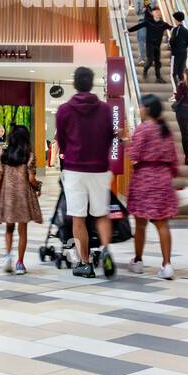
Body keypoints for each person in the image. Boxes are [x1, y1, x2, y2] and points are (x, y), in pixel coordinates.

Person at [55, 66, 115, 278]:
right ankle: (106, 251)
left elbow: (61, 141)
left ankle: (85, 263)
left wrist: (70, 152)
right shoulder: (106, 109)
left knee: (78, 218)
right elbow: (110, 137)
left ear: (75, 84)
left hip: (74, 169)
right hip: (99, 168)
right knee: (101, 214)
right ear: (92, 83)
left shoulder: (64, 110)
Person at [125, 95, 179, 279]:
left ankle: (138, 261)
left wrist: (125, 142)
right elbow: (174, 160)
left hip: (144, 179)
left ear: (147, 109)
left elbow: (134, 154)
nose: (139, 109)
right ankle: (167, 264)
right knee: (162, 224)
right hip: (163, 179)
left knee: (140, 224)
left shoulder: (143, 129)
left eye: (140, 106)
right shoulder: (165, 130)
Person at [0, 125, 42, 275]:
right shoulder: (29, 156)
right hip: (23, 197)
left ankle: (8, 256)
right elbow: (31, 179)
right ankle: (20, 263)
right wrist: (38, 186)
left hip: (8, 197)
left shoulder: (4, 155)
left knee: (9, 228)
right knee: (23, 231)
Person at [128, 6, 168, 82]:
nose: (158, 13)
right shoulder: (148, 22)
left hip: (157, 45)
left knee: (157, 62)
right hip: (150, 45)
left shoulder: (162, 23)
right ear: (152, 13)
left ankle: (158, 78)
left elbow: (170, 27)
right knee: (150, 60)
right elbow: (139, 26)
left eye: (159, 12)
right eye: (156, 12)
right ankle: (145, 70)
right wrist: (128, 30)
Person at [129, 0, 157, 64]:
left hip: (142, 22)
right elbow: (156, 10)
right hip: (152, 22)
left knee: (141, 40)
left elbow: (137, 12)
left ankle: (142, 58)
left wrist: (143, 9)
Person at [168, 11, 188, 84]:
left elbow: (172, 41)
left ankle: (176, 92)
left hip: (175, 54)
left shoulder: (176, 30)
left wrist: (170, 41)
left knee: (173, 73)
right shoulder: (186, 30)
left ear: (176, 20)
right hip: (184, 54)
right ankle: (183, 91)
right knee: (181, 73)